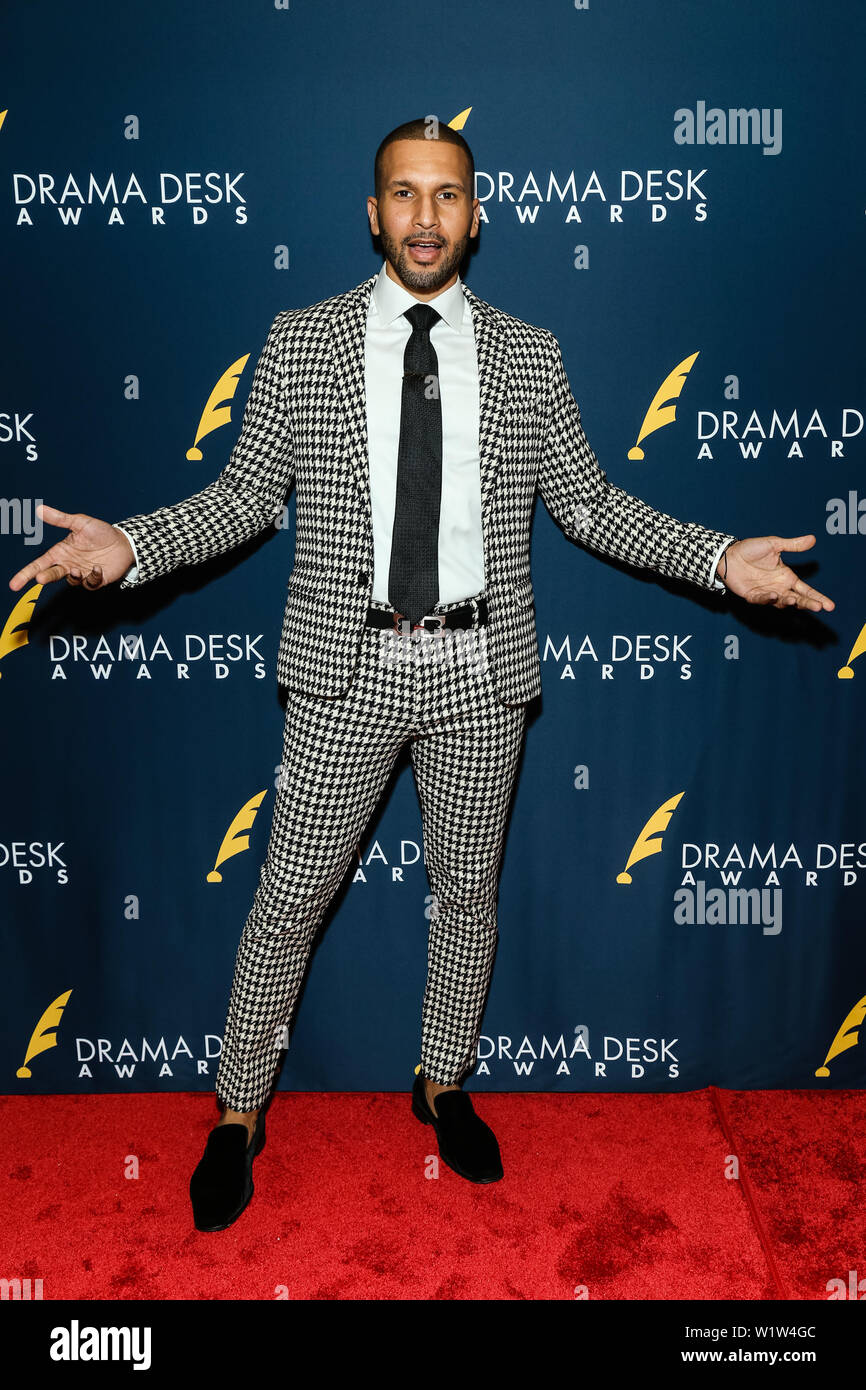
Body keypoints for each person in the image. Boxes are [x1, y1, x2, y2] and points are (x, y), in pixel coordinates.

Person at [9, 117, 835, 1233]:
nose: (424, 216)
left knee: (465, 900)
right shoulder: (299, 340)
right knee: (284, 903)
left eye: (446, 195)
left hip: (478, 667)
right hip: (343, 671)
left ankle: (440, 1081)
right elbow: (243, 498)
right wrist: (134, 548)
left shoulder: (527, 352)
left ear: (475, 214)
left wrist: (718, 557)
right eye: (403, 193)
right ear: (372, 212)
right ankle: (237, 1113)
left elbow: (590, 505)